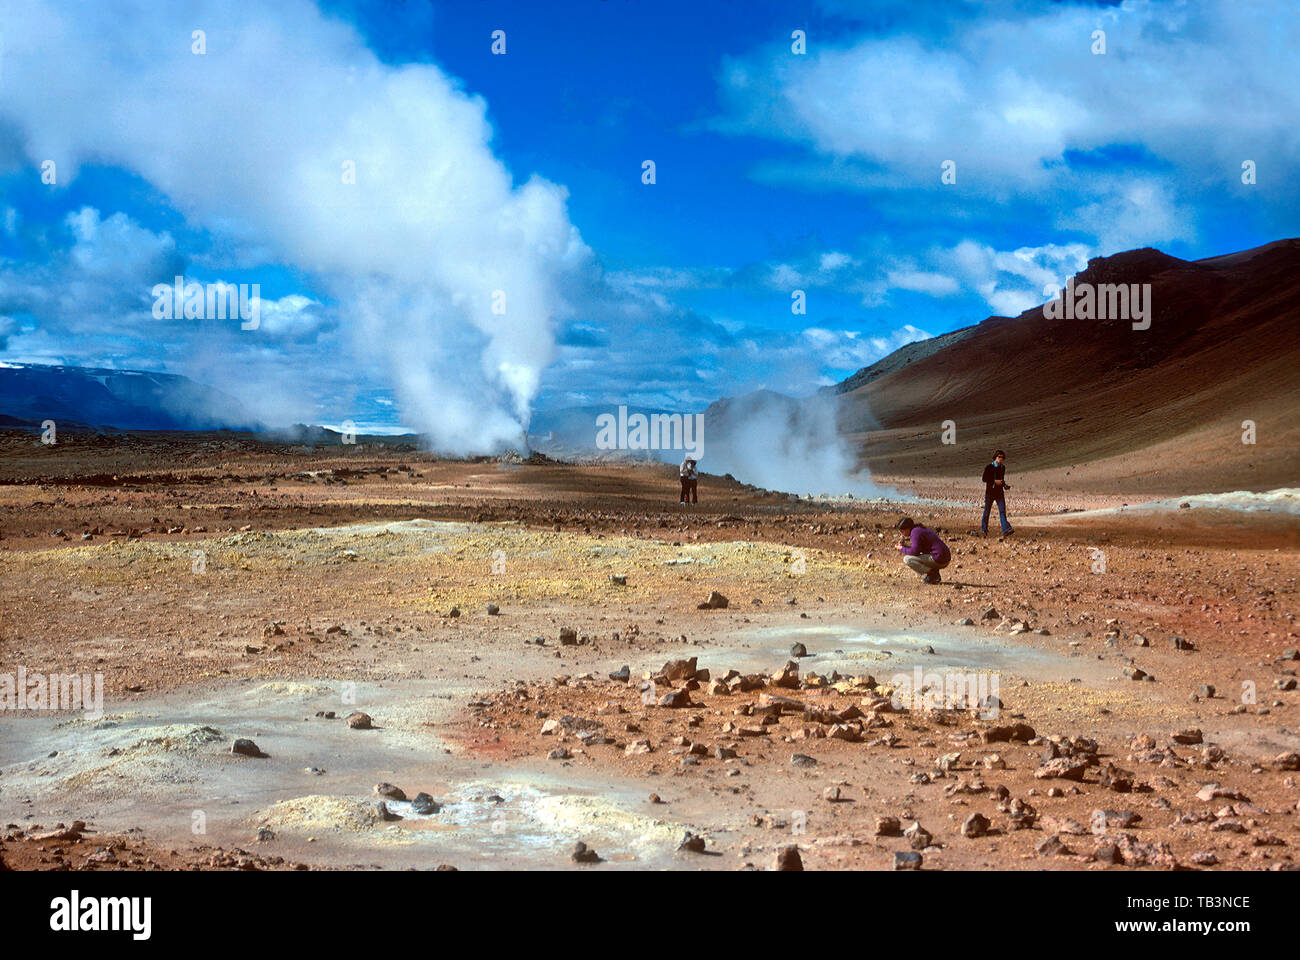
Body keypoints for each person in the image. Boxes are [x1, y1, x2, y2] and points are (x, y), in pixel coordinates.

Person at [897, 516, 950, 584]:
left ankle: (932, 574)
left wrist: (901, 549)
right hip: (943, 558)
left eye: (902, 531)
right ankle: (934, 573)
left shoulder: (915, 532)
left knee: (907, 559)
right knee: (916, 556)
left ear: (907, 529)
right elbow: (918, 549)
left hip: (939, 558)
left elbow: (914, 552)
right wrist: (904, 547)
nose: (902, 533)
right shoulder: (919, 529)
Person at [981, 449, 1014, 537]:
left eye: (1002, 457)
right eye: (999, 457)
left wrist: (1004, 485)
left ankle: (1005, 529)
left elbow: (1001, 479)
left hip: (999, 492)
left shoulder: (1002, 467)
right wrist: (994, 481)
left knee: (1002, 511)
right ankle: (984, 529)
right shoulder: (989, 467)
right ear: (995, 457)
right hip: (990, 493)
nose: (1001, 459)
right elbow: (984, 479)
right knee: (987, 511)